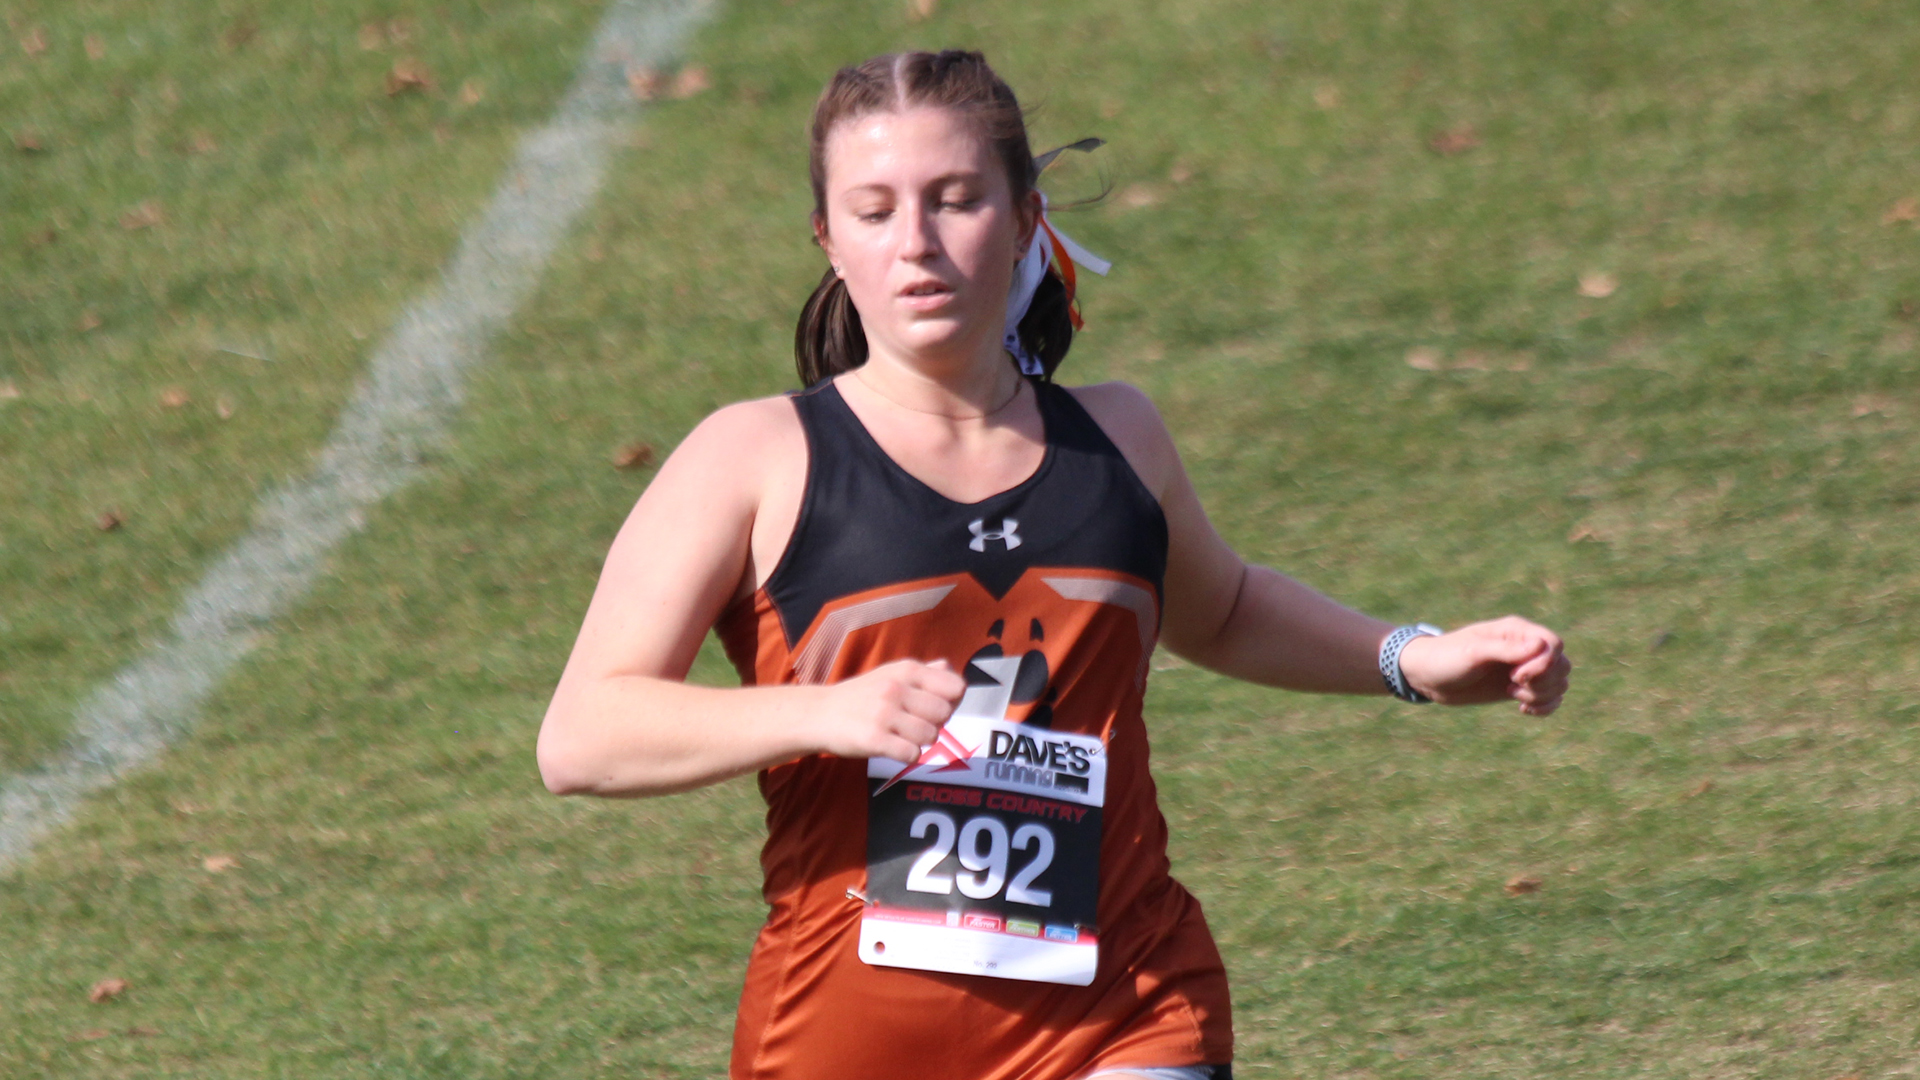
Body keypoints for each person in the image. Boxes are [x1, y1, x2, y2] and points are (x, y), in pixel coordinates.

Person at [536, 49, 1571, 1080]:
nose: (917, 243)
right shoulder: (754, 457)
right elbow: (582, 737)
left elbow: (1224, 610)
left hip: (1127, 1013)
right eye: (875, 211)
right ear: (828, 241)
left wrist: (1411, 659)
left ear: (1028, 218)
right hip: (842, 1038)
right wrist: (824, 713)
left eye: (956, 200)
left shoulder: (1119, 440)